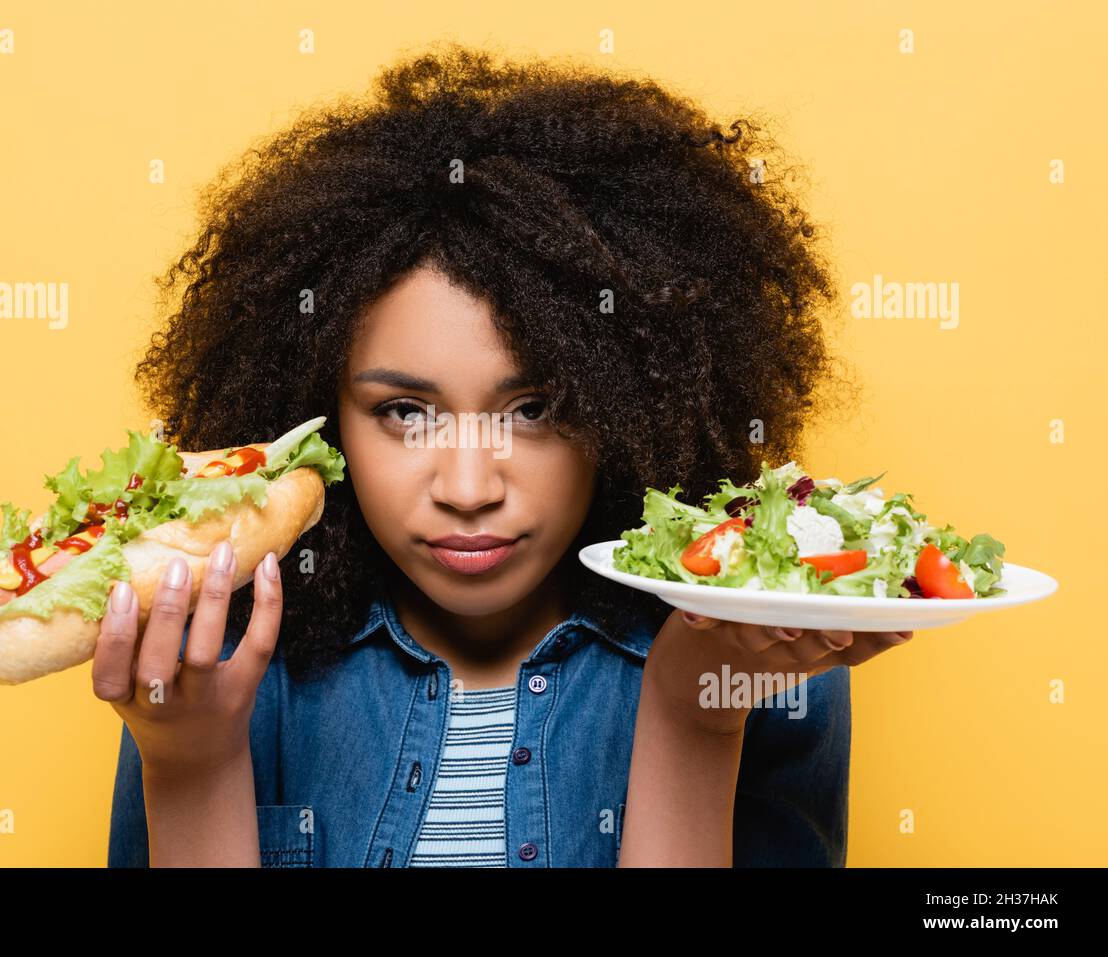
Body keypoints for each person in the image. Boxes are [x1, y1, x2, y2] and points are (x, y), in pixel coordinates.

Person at [100, 42, 910, 867]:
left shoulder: (754, 649)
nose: (466, 487)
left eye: (535, 409)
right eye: (404, 412)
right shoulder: (211, 658)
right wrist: (188, 762)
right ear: (320, 418)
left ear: (628, 406)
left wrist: (693, 706)